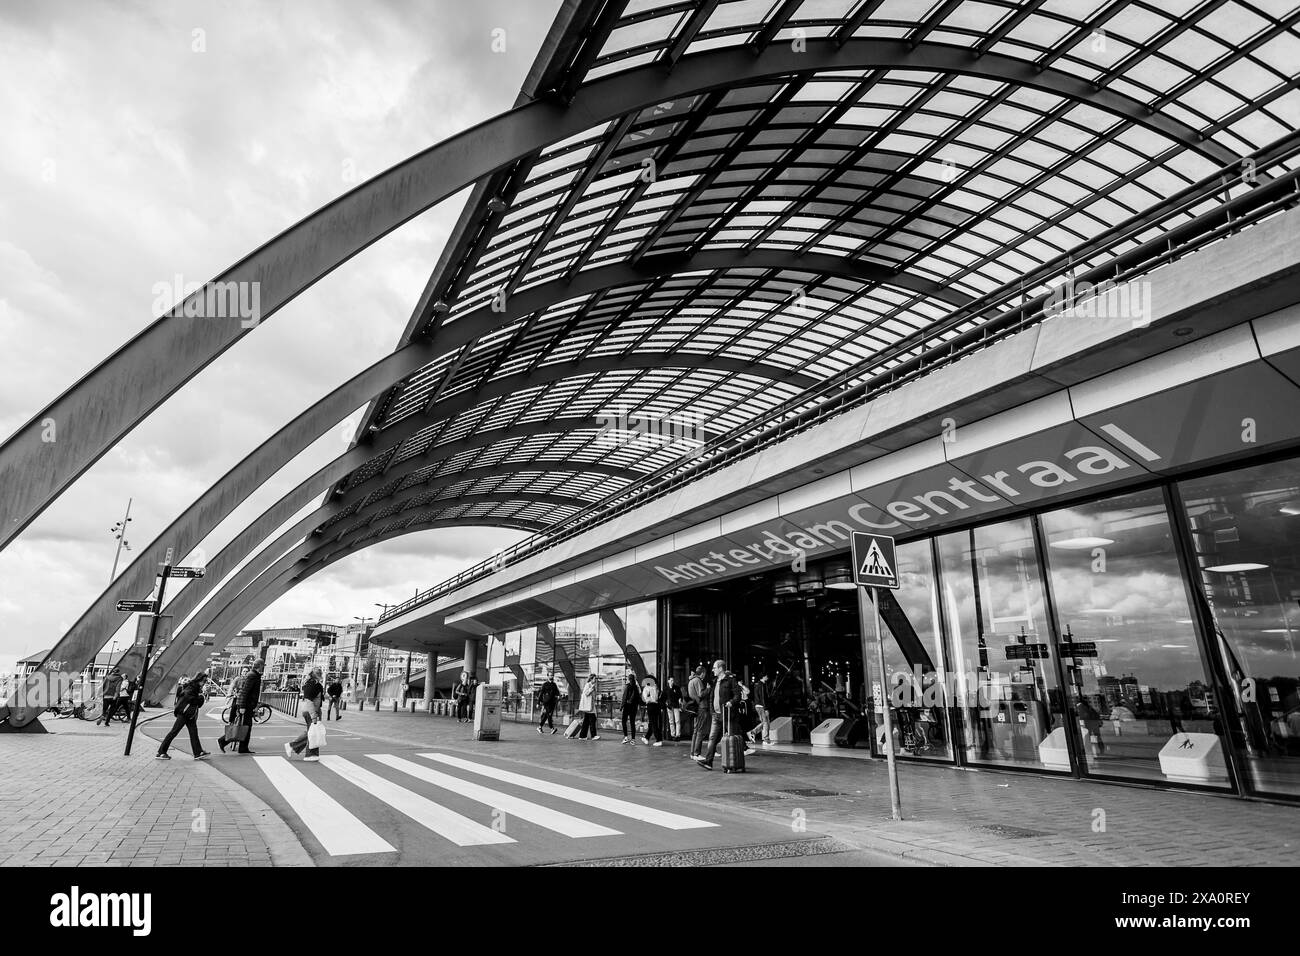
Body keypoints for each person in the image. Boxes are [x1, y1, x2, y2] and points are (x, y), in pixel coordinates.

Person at [696, 660, 739, 771]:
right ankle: (708, 762)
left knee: (730, 739)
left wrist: (731, 702)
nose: (713, 670)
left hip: (728, 716)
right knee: (712, 738)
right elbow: (711, 698)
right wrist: (712, 711)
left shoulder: (730, 680)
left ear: (720, 668)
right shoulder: (715, 681)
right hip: (716, 716)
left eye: (715, 668)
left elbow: (737, 695)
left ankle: (732, 764)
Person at [156, 671, 211, 760]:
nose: (204, 683)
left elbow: (198, 704)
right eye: (204, 681)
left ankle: (198, 752)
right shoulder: (191, 687)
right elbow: (191, 699)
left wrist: (202, 695)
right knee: (174, 732)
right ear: (199, 679)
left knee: (193, 733)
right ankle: (161, 752)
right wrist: (201, 696)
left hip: (189, 714)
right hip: (184, 713)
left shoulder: (195, 688)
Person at [218, 659, 263, 754]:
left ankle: (242, 748)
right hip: (246, 705)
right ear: (260, 666)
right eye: (262, 666)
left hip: (248, 705)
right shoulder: (252, 676)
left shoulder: (253, 675)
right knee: (243, 727)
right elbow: (244, 692)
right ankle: (224, 741)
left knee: (244, 727)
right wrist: (242, 706)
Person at [286, 668, 325, 762]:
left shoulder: (312, 683)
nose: (321, 675)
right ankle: (310, 754)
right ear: (317, 675)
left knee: (311, 732)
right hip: (311, 711)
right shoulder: (313, 685)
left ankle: (293, 746)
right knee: (313, 733)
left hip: (312, 711)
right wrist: (314, 715)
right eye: (320, 673)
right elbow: (309, 701)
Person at [689, 665, 713, 759]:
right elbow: (701, 694)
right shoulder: (698, 681)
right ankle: (696, 753)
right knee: (700, 731)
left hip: (696, 707)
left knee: (696, 730)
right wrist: (708, 688)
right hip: (702, 707)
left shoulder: (691, 680)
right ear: (702, 673)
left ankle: (692, 753)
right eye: (704, 674)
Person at [576, 673, 600, 740]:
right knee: (593, 720)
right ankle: (593, 736)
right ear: (591, 679)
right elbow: (585, 693)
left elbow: (593, 695)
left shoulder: (592, 685)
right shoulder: (588, 684)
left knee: (586, 721)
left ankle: (582, 736)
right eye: (594, 678)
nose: (595, 680)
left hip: (590, 706)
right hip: (589, 707)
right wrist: (591, 689)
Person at [620, 672, 642, 744]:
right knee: (632, 723)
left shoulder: (628, 686)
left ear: (629, 679)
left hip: (627, 707)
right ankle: (633, 739)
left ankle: (626, 737)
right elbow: (638, 698)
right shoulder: (636, 687)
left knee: (624, 721)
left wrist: (621, 706)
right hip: (634, 708)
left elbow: (624, 697)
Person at [641, 675, 663, 746]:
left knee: (653, 723)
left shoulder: (647, 688)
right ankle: (647, 738)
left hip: (650, 706)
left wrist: (647, 699)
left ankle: (659, 740)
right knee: (652, 722)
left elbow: (644, 698)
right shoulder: (656, 687)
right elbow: (657, 697)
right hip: (656, 706)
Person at [751, 673, 772, 744]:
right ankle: (766, 739)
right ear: (763, 677)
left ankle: (753, 732)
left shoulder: (757, 684)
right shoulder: (761, 685)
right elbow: (762, 697)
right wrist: (766, 708)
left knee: (765, 722)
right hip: (761, 706)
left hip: (758, 705)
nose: (767, 677)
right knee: (766, 723)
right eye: (766, 676)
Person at [662, 677, 684, 741]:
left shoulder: (677, 688)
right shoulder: (666, 689)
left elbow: (680, 696)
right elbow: (663, 697)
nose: (672, 682)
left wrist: (680, 701)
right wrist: (666, 703)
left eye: (673, 680)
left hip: (676, 706)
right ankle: (673, 735)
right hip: (669, 706)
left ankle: (678, 735)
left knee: (677, 721)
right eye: (671, 680)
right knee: (671, 721)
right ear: (668, 681)